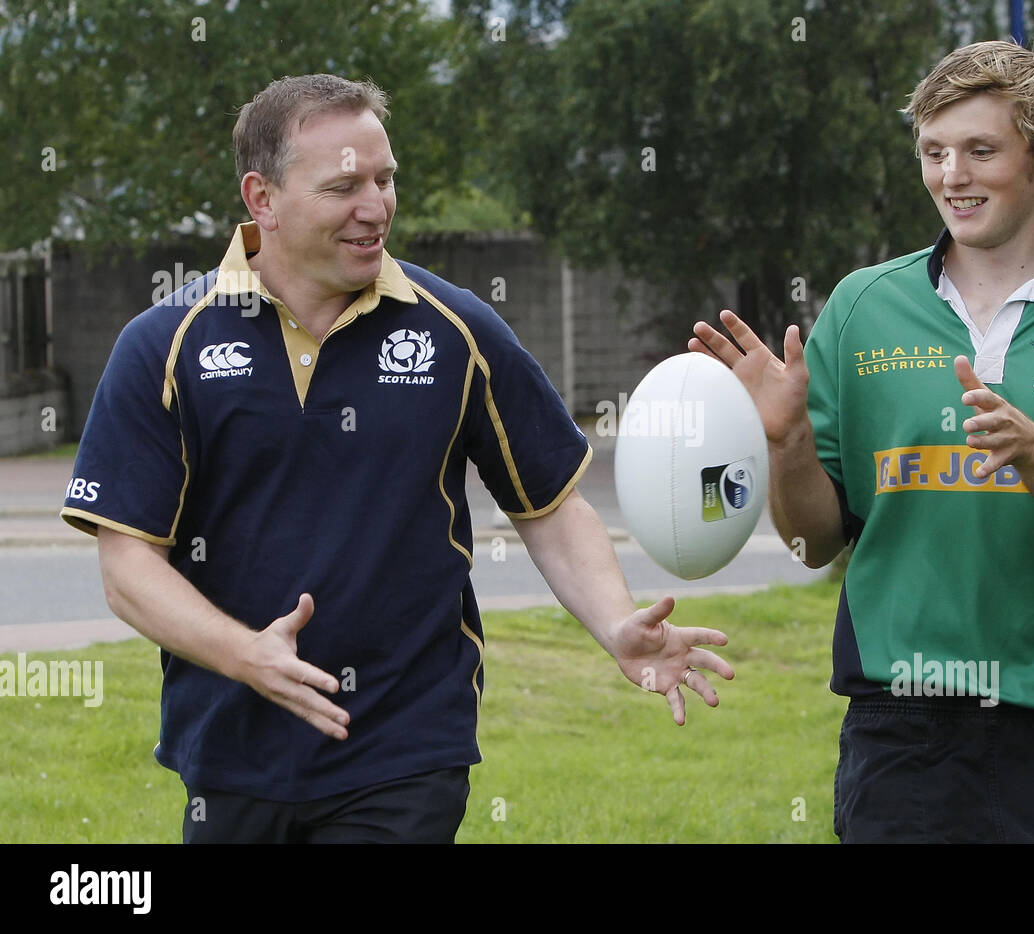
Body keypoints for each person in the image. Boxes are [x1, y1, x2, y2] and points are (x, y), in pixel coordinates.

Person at [60, 73, 732, 844]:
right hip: (229, 754)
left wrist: (617, 625)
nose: (375, 206)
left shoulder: (457, 331)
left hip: (406, 749)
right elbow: (128, 568)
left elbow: (546, 505)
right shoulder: (165, 344)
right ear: (262, 198)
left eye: (385, 179)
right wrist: (246, 655)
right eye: (344, 185)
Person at [690, 40, 1034, 843]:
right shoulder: (864, 305)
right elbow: (813, 542)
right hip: (899, 736)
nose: (951, 176)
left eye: (980, 150)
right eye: (933, 152)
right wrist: (786, 441)